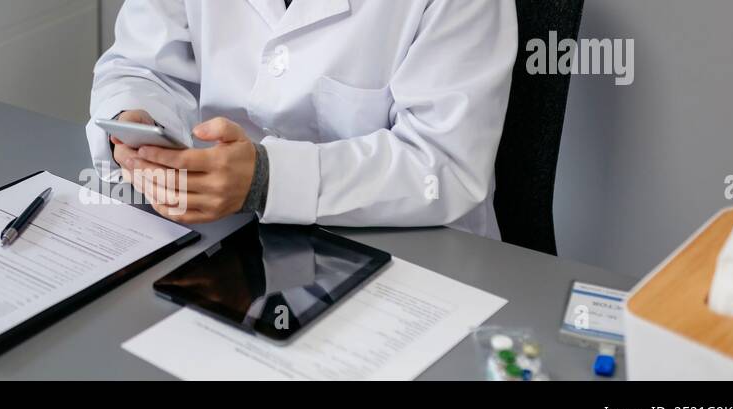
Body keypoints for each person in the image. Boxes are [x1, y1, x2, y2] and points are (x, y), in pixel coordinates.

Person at [86, 0, 518, 239]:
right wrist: (133, 123)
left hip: (410, 246)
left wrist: (267, 179)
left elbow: (443, 162)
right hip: (224, 237)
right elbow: (137, 67)